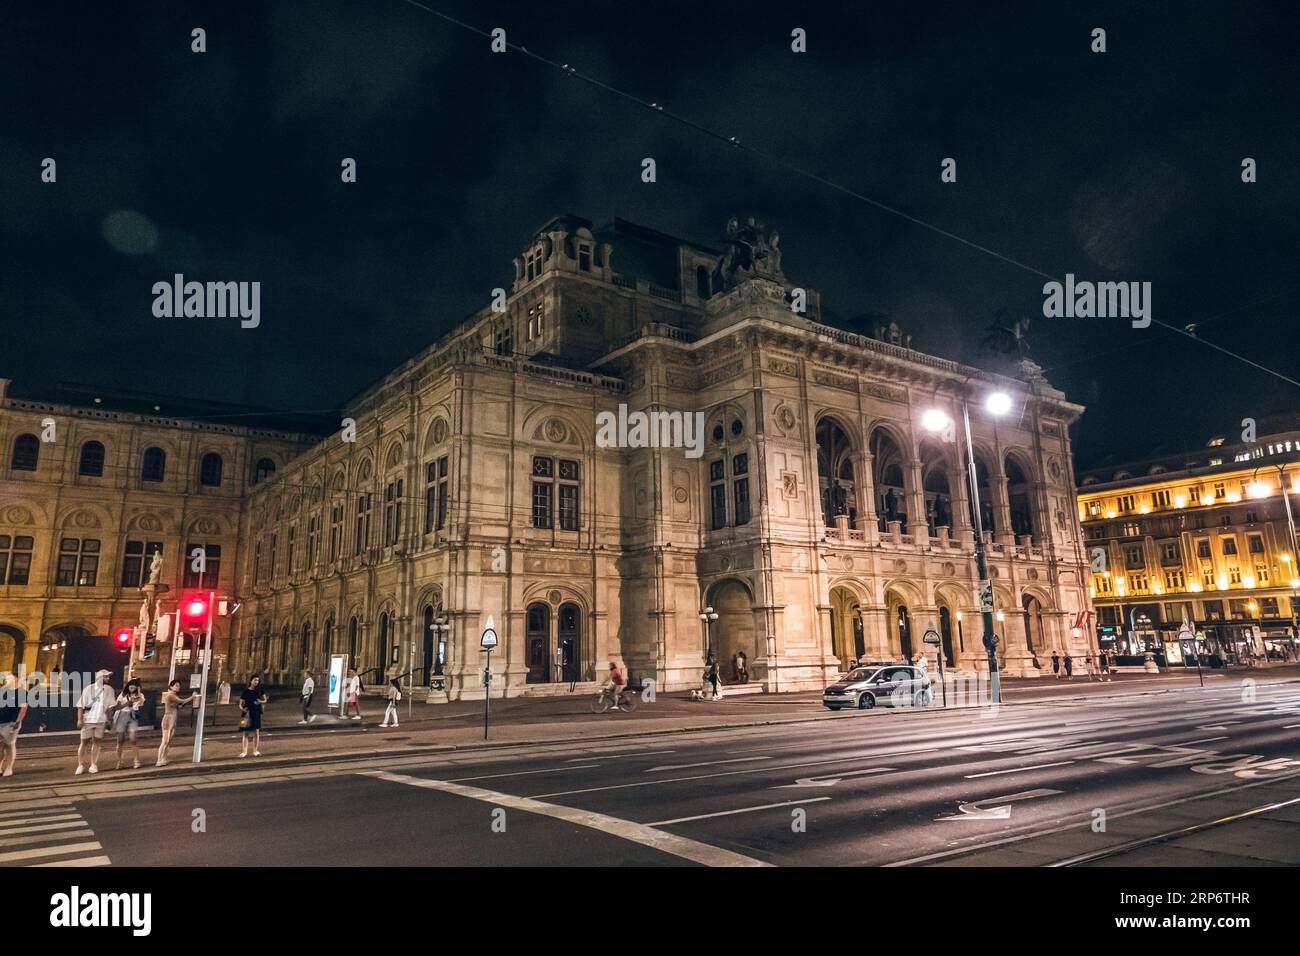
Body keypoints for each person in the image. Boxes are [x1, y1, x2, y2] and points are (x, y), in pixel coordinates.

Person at [75, 670, 116, 775]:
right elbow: (80, 706)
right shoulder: (88, 689)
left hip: (101, 720)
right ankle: (80, 765)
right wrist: (80, 719)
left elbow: (111, 706)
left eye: (108, 677)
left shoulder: (109, 689)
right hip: (88, 720)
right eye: (105, 677)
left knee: (97, 742)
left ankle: (94, 764)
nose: (108, 679)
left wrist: (109, 720)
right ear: (99, 678)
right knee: (84, 742)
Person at [155, 679, 196, 766]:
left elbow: (178, 705)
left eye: (179, 686)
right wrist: (192, 697)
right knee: (165, 741)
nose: (178, 687)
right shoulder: (170, 695)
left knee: (169, 741)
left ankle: (164, 758)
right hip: (168, 719)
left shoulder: (173, 696)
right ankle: (159, 760)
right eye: (176, 685)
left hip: (172, 720)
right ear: (171, 686)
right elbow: (182, 701)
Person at [113, 678, 146, 769]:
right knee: (120, 740)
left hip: (133, 716)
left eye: (134, 687)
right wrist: (128, 703)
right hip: (122, 716)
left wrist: (139, 691)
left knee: (133, 739)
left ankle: (136, 760)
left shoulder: (139, 695)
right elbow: (117, 707)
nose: (132, 689)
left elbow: (142, 703)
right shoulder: (123, 694)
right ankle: (119, 761)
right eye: (130, 687)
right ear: (127, 687)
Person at [0, 672, 29, 778]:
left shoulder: (21, 693)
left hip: (11, 723)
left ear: (16, 679)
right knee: (1, 745)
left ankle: (9, 768)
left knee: (9, 745)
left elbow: (24, 708)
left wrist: (17, 721)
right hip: (1, 722)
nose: (6, 680)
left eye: (9, 678)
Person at [239, 675, 268, 757]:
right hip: (246, 713)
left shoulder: (260, 690)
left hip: (256, 712)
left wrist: (260, 701)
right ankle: (244, 752)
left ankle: (255, 751)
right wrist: (242, 709)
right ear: (251, 681)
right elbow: (240, 704)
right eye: (255, 680)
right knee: (245, 733)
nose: (256, 682)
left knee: (256, 733)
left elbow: (265, 700)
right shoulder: (246, 691)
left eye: (258, 680)